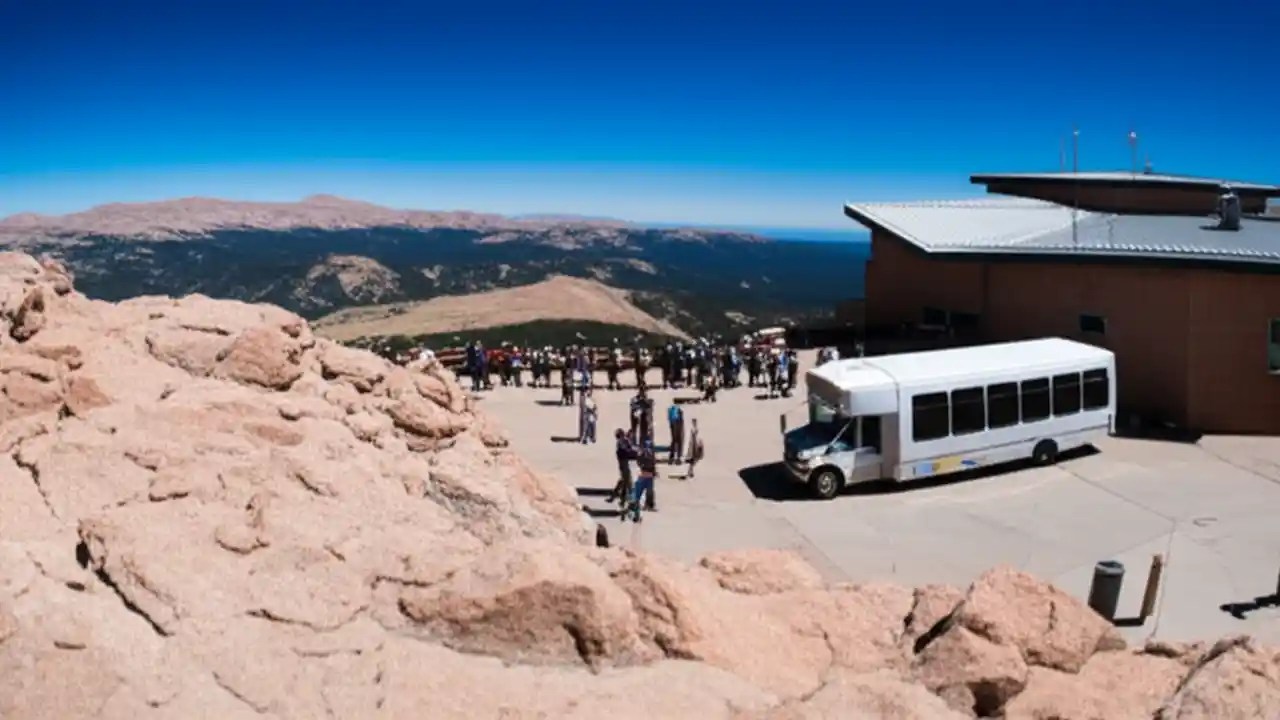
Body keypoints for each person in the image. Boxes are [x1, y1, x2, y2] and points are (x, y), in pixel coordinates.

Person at [625, 442, 658, 521]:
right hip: (648, 475)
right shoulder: (650, 454)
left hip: (644, 475)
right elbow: (652, 464)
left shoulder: (644, 453)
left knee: (638, 494)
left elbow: (639, 462)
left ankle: (639, 507)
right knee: (646, 492)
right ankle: (647, 505)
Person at [609, 429, 636, 505]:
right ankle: (628, 500)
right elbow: (627, 451)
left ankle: (618, 498)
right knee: (628, 482)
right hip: (623, 465)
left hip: (624, 465)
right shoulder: (621, 443)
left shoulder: (623, 442)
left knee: (624, 482)